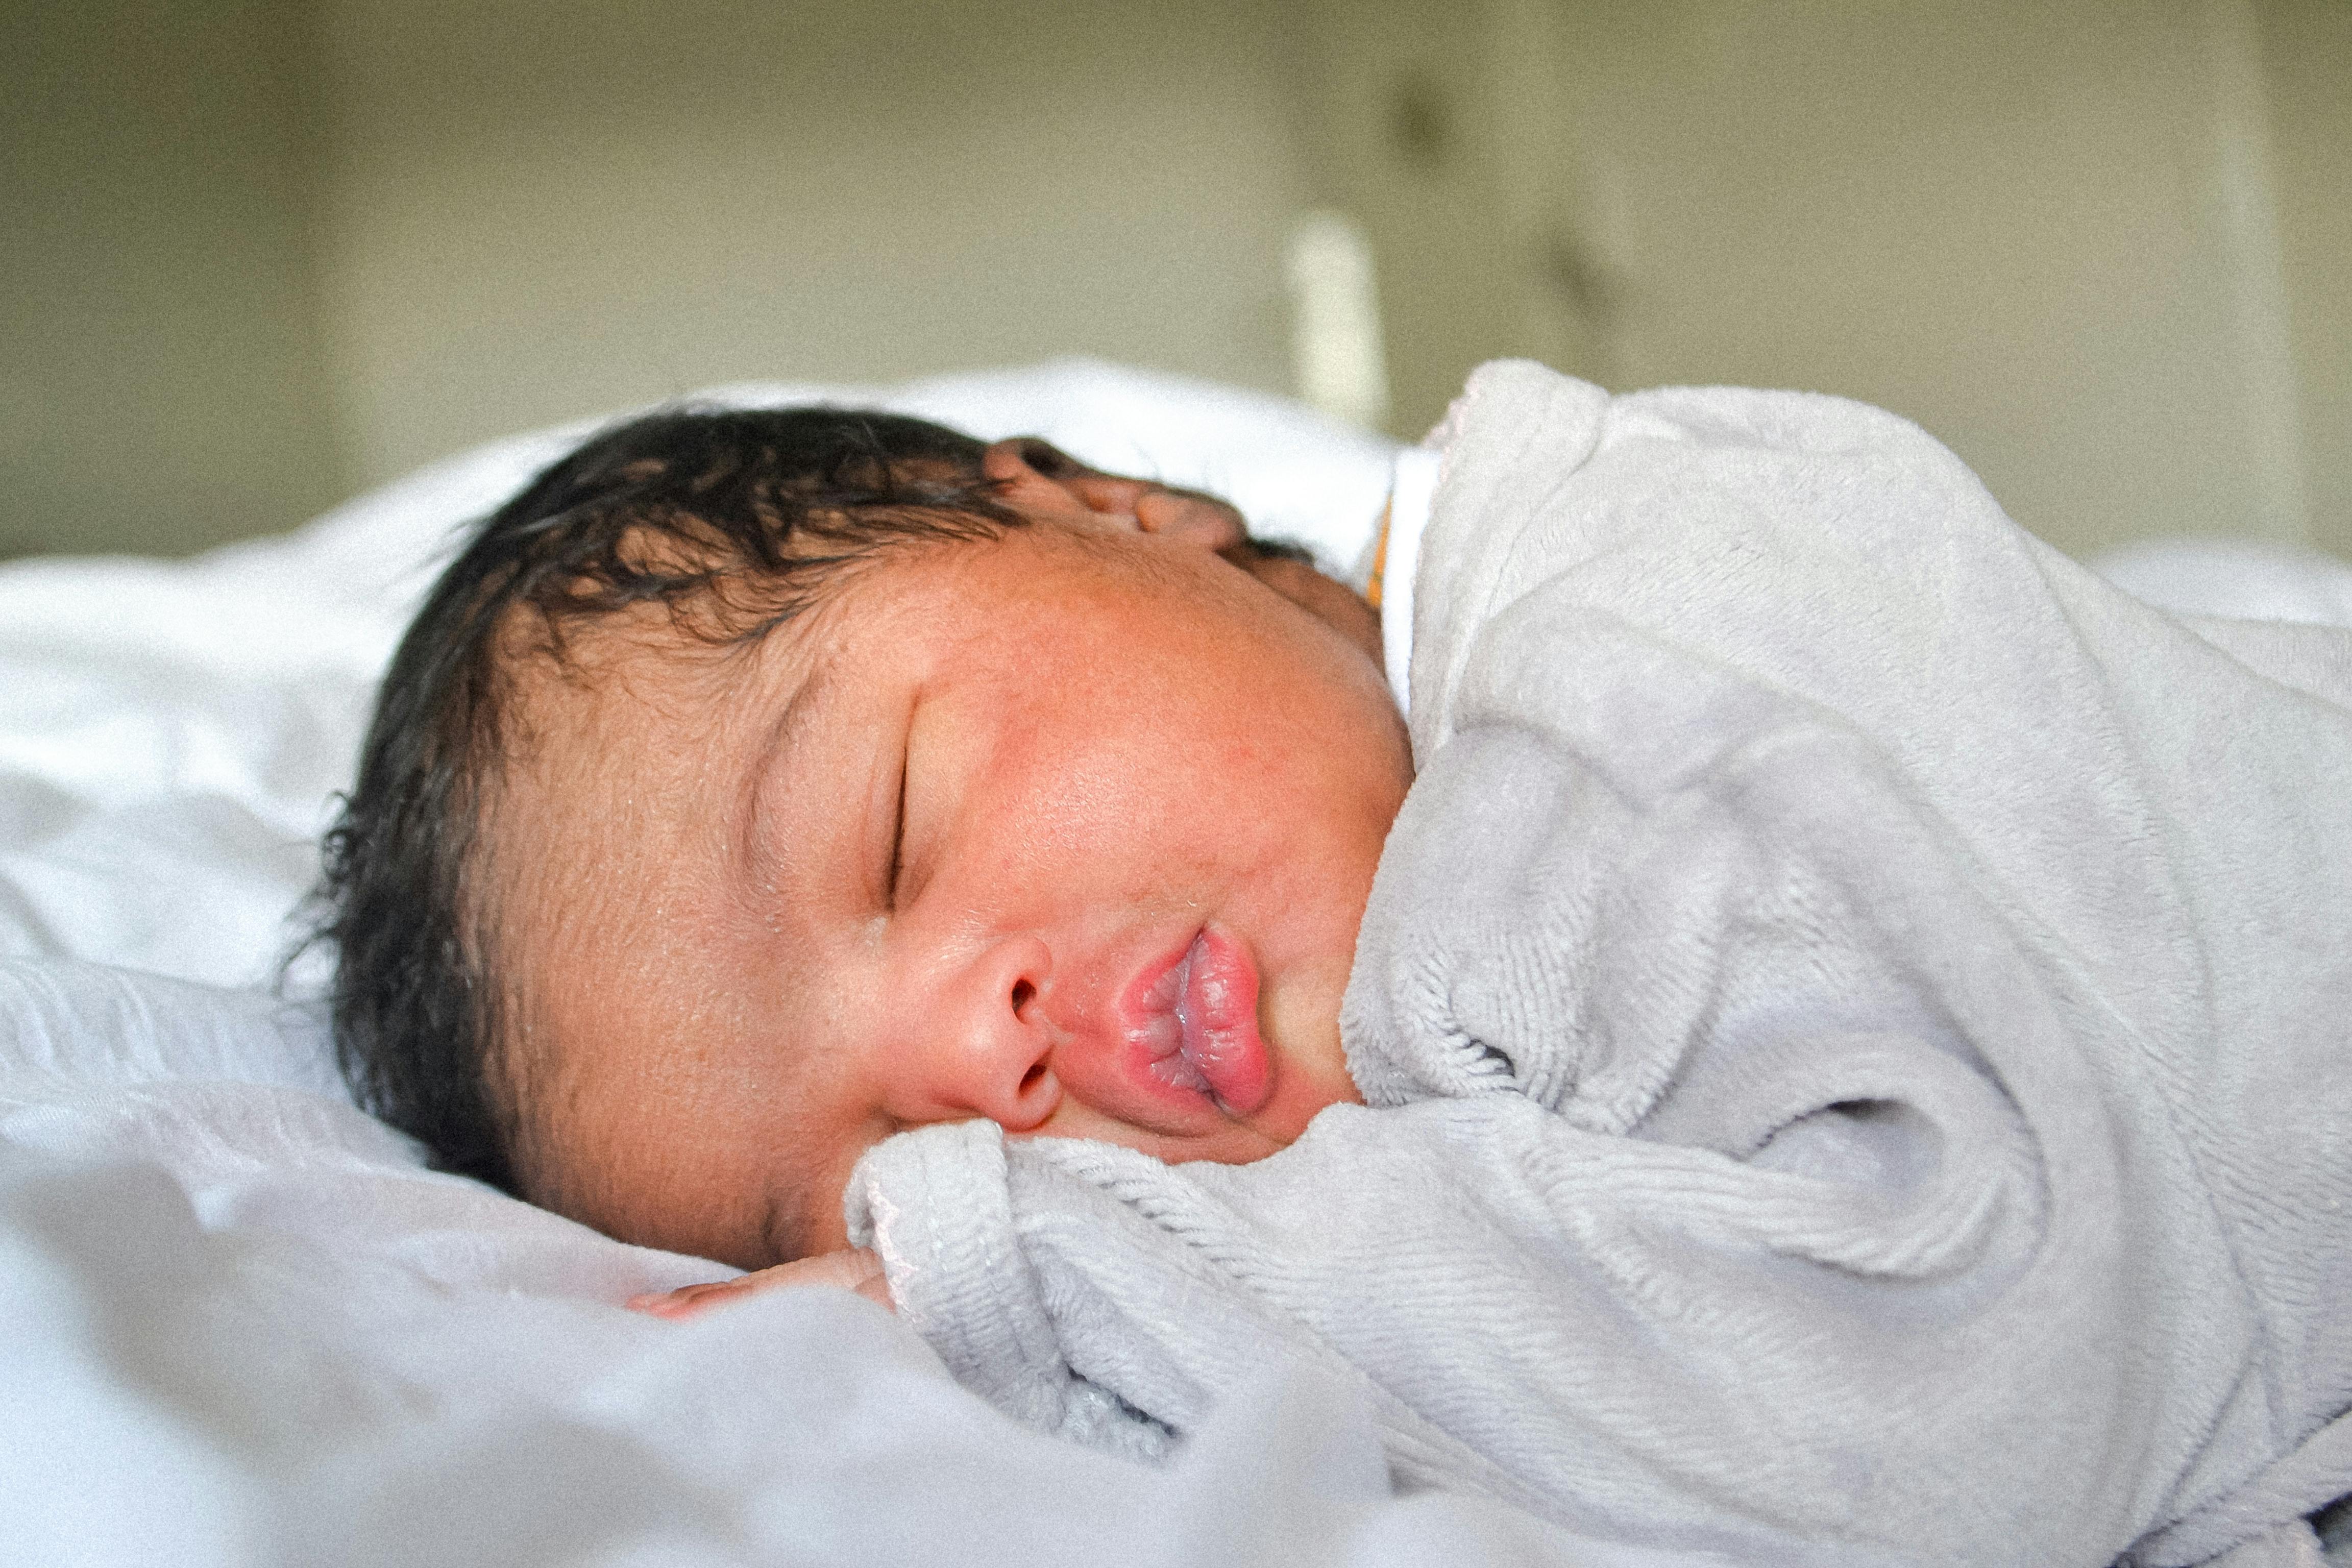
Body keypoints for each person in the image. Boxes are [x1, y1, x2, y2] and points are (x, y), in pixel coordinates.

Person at [317, 363, 2352, 1567]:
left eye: (900, 830)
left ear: (1123, 512)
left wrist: (1032, 1274)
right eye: (857, 1167)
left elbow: (1964, 1388)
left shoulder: (1627, 663)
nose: (968, 1058)